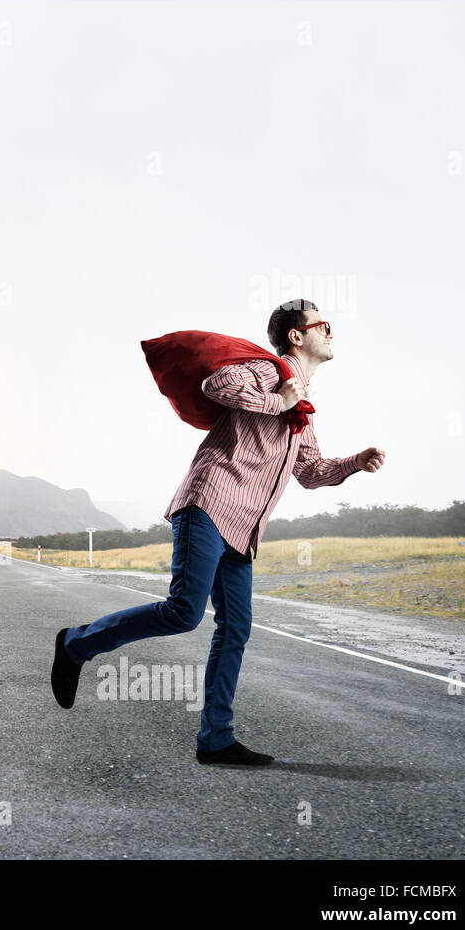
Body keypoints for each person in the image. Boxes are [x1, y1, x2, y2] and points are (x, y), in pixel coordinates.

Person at [50, 300, 386, 766]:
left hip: (244, 529)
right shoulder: (266, 372)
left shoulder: (302, 409)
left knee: (236, 627)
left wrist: (354, 462)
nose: (332, 332)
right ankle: (75, 644)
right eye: (324, 325)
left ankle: (215, 738)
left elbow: (309, 471)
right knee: (184, 612)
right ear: (296, 335)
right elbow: (217, 383)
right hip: (210, 504)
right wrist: (278, 401)